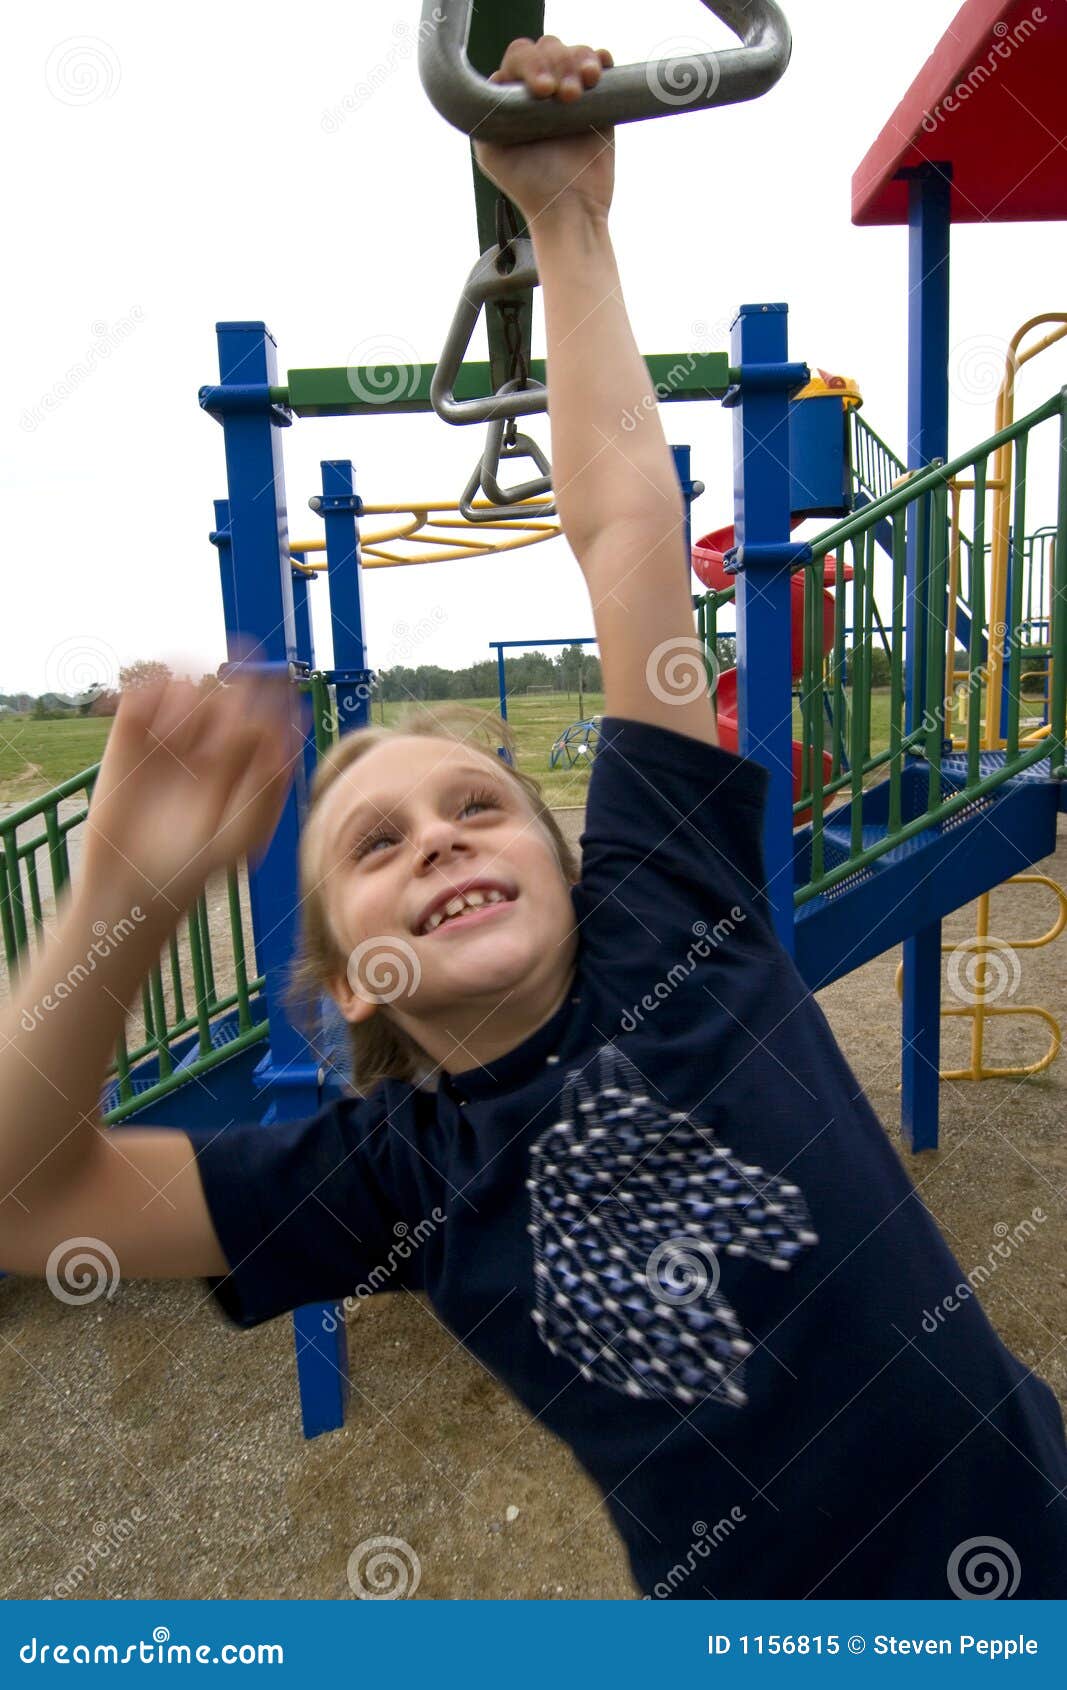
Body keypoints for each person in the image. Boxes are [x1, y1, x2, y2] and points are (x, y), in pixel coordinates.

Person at [3, 36, 1066, 1600]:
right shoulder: (385, 1173)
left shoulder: (676, 914)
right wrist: (125, 895)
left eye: (480, 805)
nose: (438, 834)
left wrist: (570, 217)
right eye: (373, 843)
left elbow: (629, 521)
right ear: (345, 974)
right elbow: (26, 1204)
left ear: (578, 867)